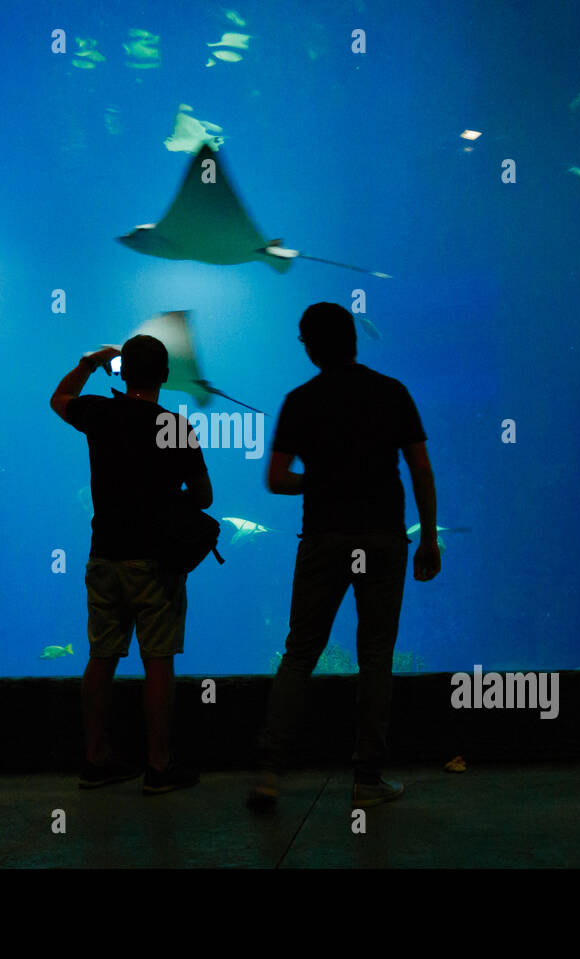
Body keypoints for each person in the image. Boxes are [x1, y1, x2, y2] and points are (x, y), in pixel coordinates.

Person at [249, 303, 440, 811]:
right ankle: (367, 778)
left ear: (311, 347)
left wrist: (321, 480)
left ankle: (269, 773)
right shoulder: (392, 392)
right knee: (376, 655)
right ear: (353, 341)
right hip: (382, 539)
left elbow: (276, 478)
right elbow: (420, 467)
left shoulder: (301, 400)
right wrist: (428, 538)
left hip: (324, 540)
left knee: (300, 652)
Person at [50, 336, 209, 794]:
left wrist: (87, 360)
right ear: (164, 377)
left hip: (104, 557)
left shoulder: (99, 412)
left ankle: (95, 760)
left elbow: (60, 399)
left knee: (101, 658)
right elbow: (203, 497)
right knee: (157, 661)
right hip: (156, 563)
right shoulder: (175, 427)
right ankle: (158, 767)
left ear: (121, 372)